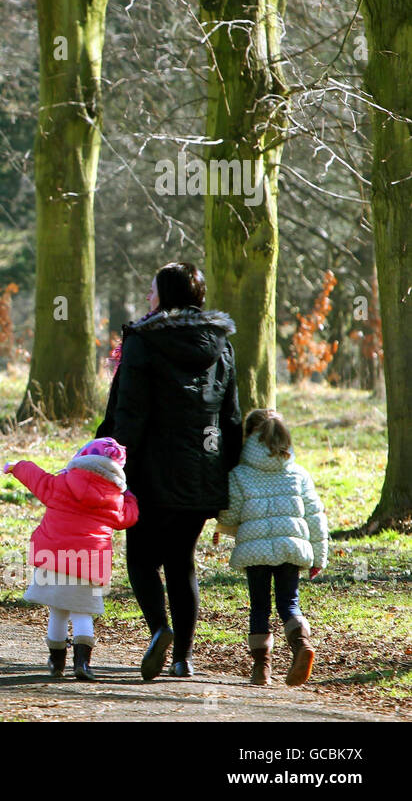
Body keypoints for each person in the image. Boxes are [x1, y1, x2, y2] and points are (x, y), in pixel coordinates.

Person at [97, 262, 242, 680]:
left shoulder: (143, 341)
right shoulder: (222, 345)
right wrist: (227, 472)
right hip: (202, 471)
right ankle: (183, 657)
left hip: (148, 471)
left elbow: (131, 412)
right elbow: (231, 416)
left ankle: (159, 628)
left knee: (141, 558)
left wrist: (114, 457)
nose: (147, 297)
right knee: (182, 560)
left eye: (152, 290)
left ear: (169, 296)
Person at [3, 438, 139, 681]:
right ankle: (83, 664)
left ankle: (56, 664)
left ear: (81, 458)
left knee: (57, 613)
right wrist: (130, 498)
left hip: (53, 559)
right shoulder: (115, 499)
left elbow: (37, 478)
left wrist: (17, 466)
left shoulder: (61, 483)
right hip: (88, 563)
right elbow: (127, 519)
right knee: (82, 614)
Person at [213, 409, 328, 686]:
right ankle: (301, 645)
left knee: (259, 607)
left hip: (257, 552)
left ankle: (261, 669)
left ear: (249, 437)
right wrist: (319, 557)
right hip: (291, 547)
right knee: (289, 602)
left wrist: (220, 523)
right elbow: (315, 515)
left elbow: (231, 514)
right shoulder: (299, 474)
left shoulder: (240, 474)